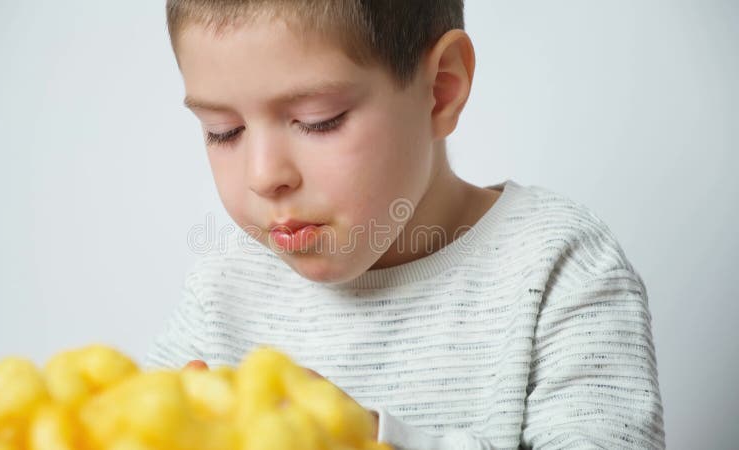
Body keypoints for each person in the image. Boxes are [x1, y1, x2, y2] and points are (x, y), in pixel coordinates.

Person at [143, 1, 665, 448]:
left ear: (440, 89)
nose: (263, 176)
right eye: (223, 132)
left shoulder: (559, 267)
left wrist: (365, 437)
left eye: (317, 119)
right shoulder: (224, 288)